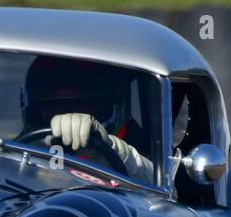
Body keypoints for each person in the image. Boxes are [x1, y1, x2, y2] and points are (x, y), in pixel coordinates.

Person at [20, 56, 157, 182]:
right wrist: (33, 161)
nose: (67, 116)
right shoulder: (21, 147)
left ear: (105, 106)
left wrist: (111, 151)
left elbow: (165, 189)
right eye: (54, 107)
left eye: (81, 106)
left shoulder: (144, 145)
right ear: (35, 111)